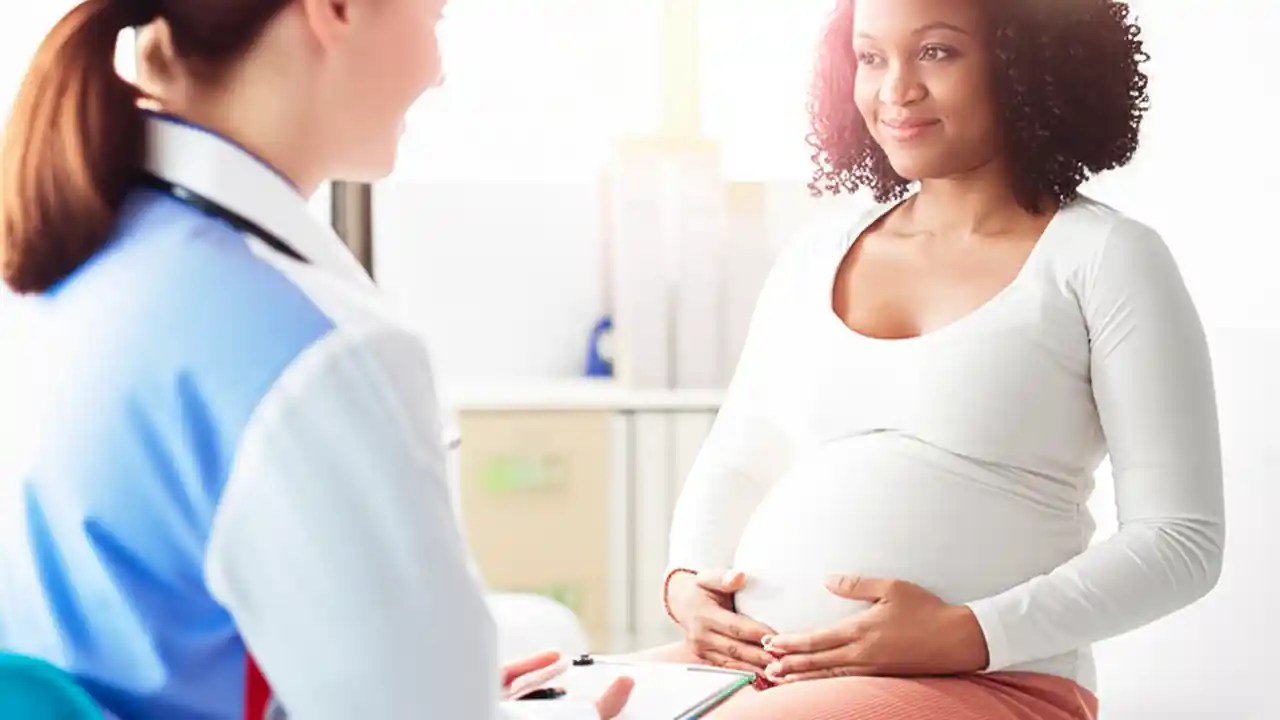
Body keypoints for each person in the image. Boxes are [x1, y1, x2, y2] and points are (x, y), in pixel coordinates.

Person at [0, 0, 632, 718]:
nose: (438, 71)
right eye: (436, 17)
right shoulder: (315, 353)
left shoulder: (68, 265)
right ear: (335, 10)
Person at [642, 0, 1226, 717]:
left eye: (937, 52)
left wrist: (966, 634)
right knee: (535, 699)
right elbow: (740, 456)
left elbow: (1180, 541)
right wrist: (687, 582)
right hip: (765, 669)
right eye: (870, 57)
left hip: (989, 682)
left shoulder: (1104, 257)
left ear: (1023, 63)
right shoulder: (818, 250)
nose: (896, 90)